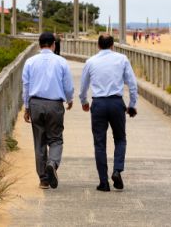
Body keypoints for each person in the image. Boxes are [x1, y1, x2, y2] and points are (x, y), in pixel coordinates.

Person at [79, 34, 138, 192]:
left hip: (98, 104)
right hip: (116, 103)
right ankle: (117, 170)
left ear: (98, 45)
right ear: (113, 45)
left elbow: (83, 86)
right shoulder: (122, 59)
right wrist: (132, 105)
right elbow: (132, 84)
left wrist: (84, 102)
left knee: (99, 143)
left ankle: (103, 182)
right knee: (120, 139)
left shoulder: (90, 61)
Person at [22, 32, 74, 189]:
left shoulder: (30, 62)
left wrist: (26, 107)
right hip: (55, 105)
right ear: (54, 45)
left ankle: (43, 179)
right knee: (56, 139)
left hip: (36, 104)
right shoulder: (61, 62)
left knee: (40, 142)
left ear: (39, 44)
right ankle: (52, 163)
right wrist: (69, 100)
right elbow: (68, 86)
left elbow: (26, 86)